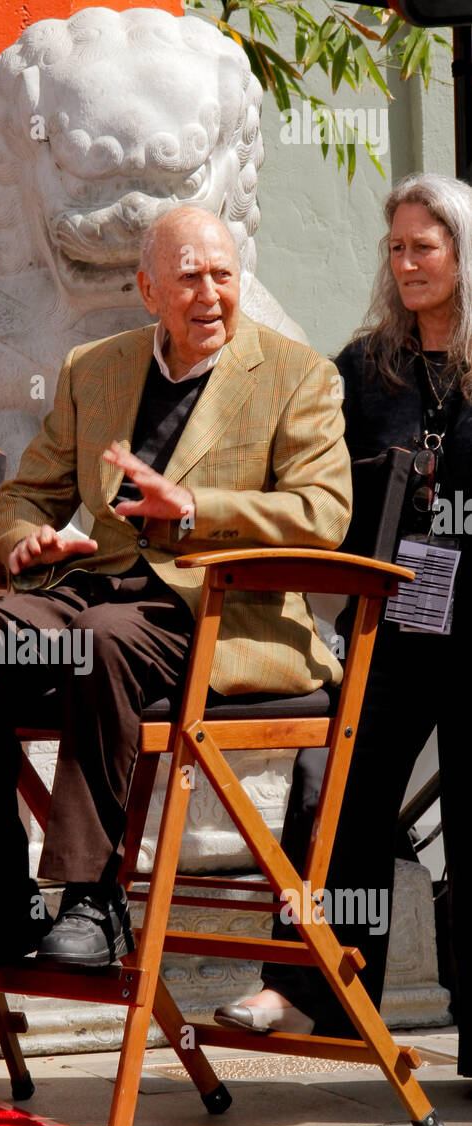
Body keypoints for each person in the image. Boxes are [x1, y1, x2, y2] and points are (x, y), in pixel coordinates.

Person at [0, 205, 352, 987]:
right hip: (89, 588)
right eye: (188, 277)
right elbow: (19, 496)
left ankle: (91, 896)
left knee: (105, 637)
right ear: (149, 290)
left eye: (223, 274)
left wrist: (193, 510)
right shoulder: (97, 367)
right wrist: (25, 541)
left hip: (216, 610)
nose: (210, 294)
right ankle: (2, 895)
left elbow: (324, 515)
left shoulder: (296, 374)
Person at [217, 173, 472, 1074]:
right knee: (334, 803)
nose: (405, 264)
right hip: (390, 625)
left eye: (424, 248)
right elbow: (311, 475)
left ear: (462, 256)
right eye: (395, 248)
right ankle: (302, 986)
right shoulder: (366, 367)